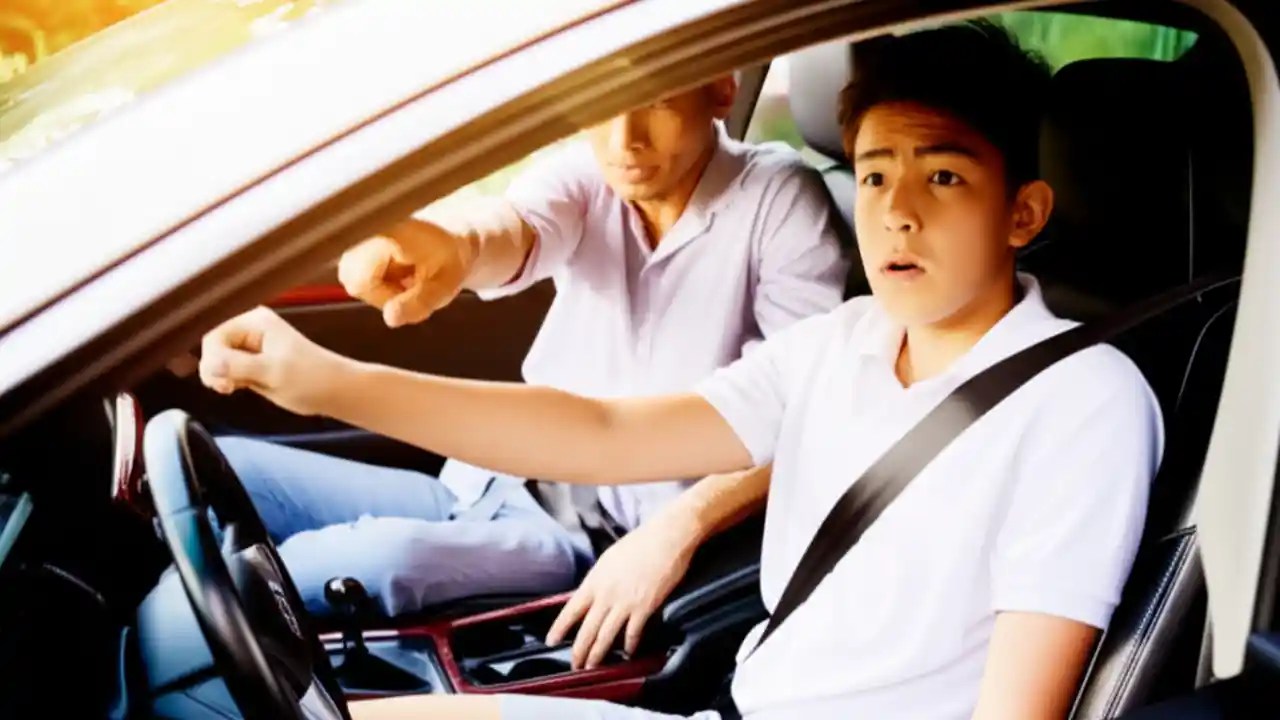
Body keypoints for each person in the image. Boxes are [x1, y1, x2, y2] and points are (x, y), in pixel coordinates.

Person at [200, 20, 1164, 720]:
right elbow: (604, 433)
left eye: (942, 176)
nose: (897, 213)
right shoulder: (845, 343)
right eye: (875, 175)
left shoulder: (1084, 402)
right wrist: (324, 379)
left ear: (1025, 214)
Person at [211, 69, 850, 666]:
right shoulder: (586, 173)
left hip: (587, 535)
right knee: (229, 469)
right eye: (602, 103)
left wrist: (677, 527)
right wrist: (450, 250)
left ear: (719, 88)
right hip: (498, 474)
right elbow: (509, 231)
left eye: (655, 101)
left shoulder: (780, 201)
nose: (624, 140)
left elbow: (796, 413)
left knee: (344, 564)